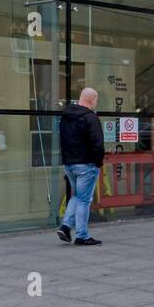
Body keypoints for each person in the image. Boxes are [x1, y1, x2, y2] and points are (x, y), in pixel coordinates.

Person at [58, 87, 105, 246]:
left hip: (69, 164)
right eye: (96, 100)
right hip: (87, 164)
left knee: (76, 196)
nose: (96, 103)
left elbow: (63, 140)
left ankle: (65, 227)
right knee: (84, 200)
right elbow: (97, 144)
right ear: (91, 100)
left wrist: (66, 160)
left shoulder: (66, 116)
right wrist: (98, 162)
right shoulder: (90, 118)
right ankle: (82, 235)